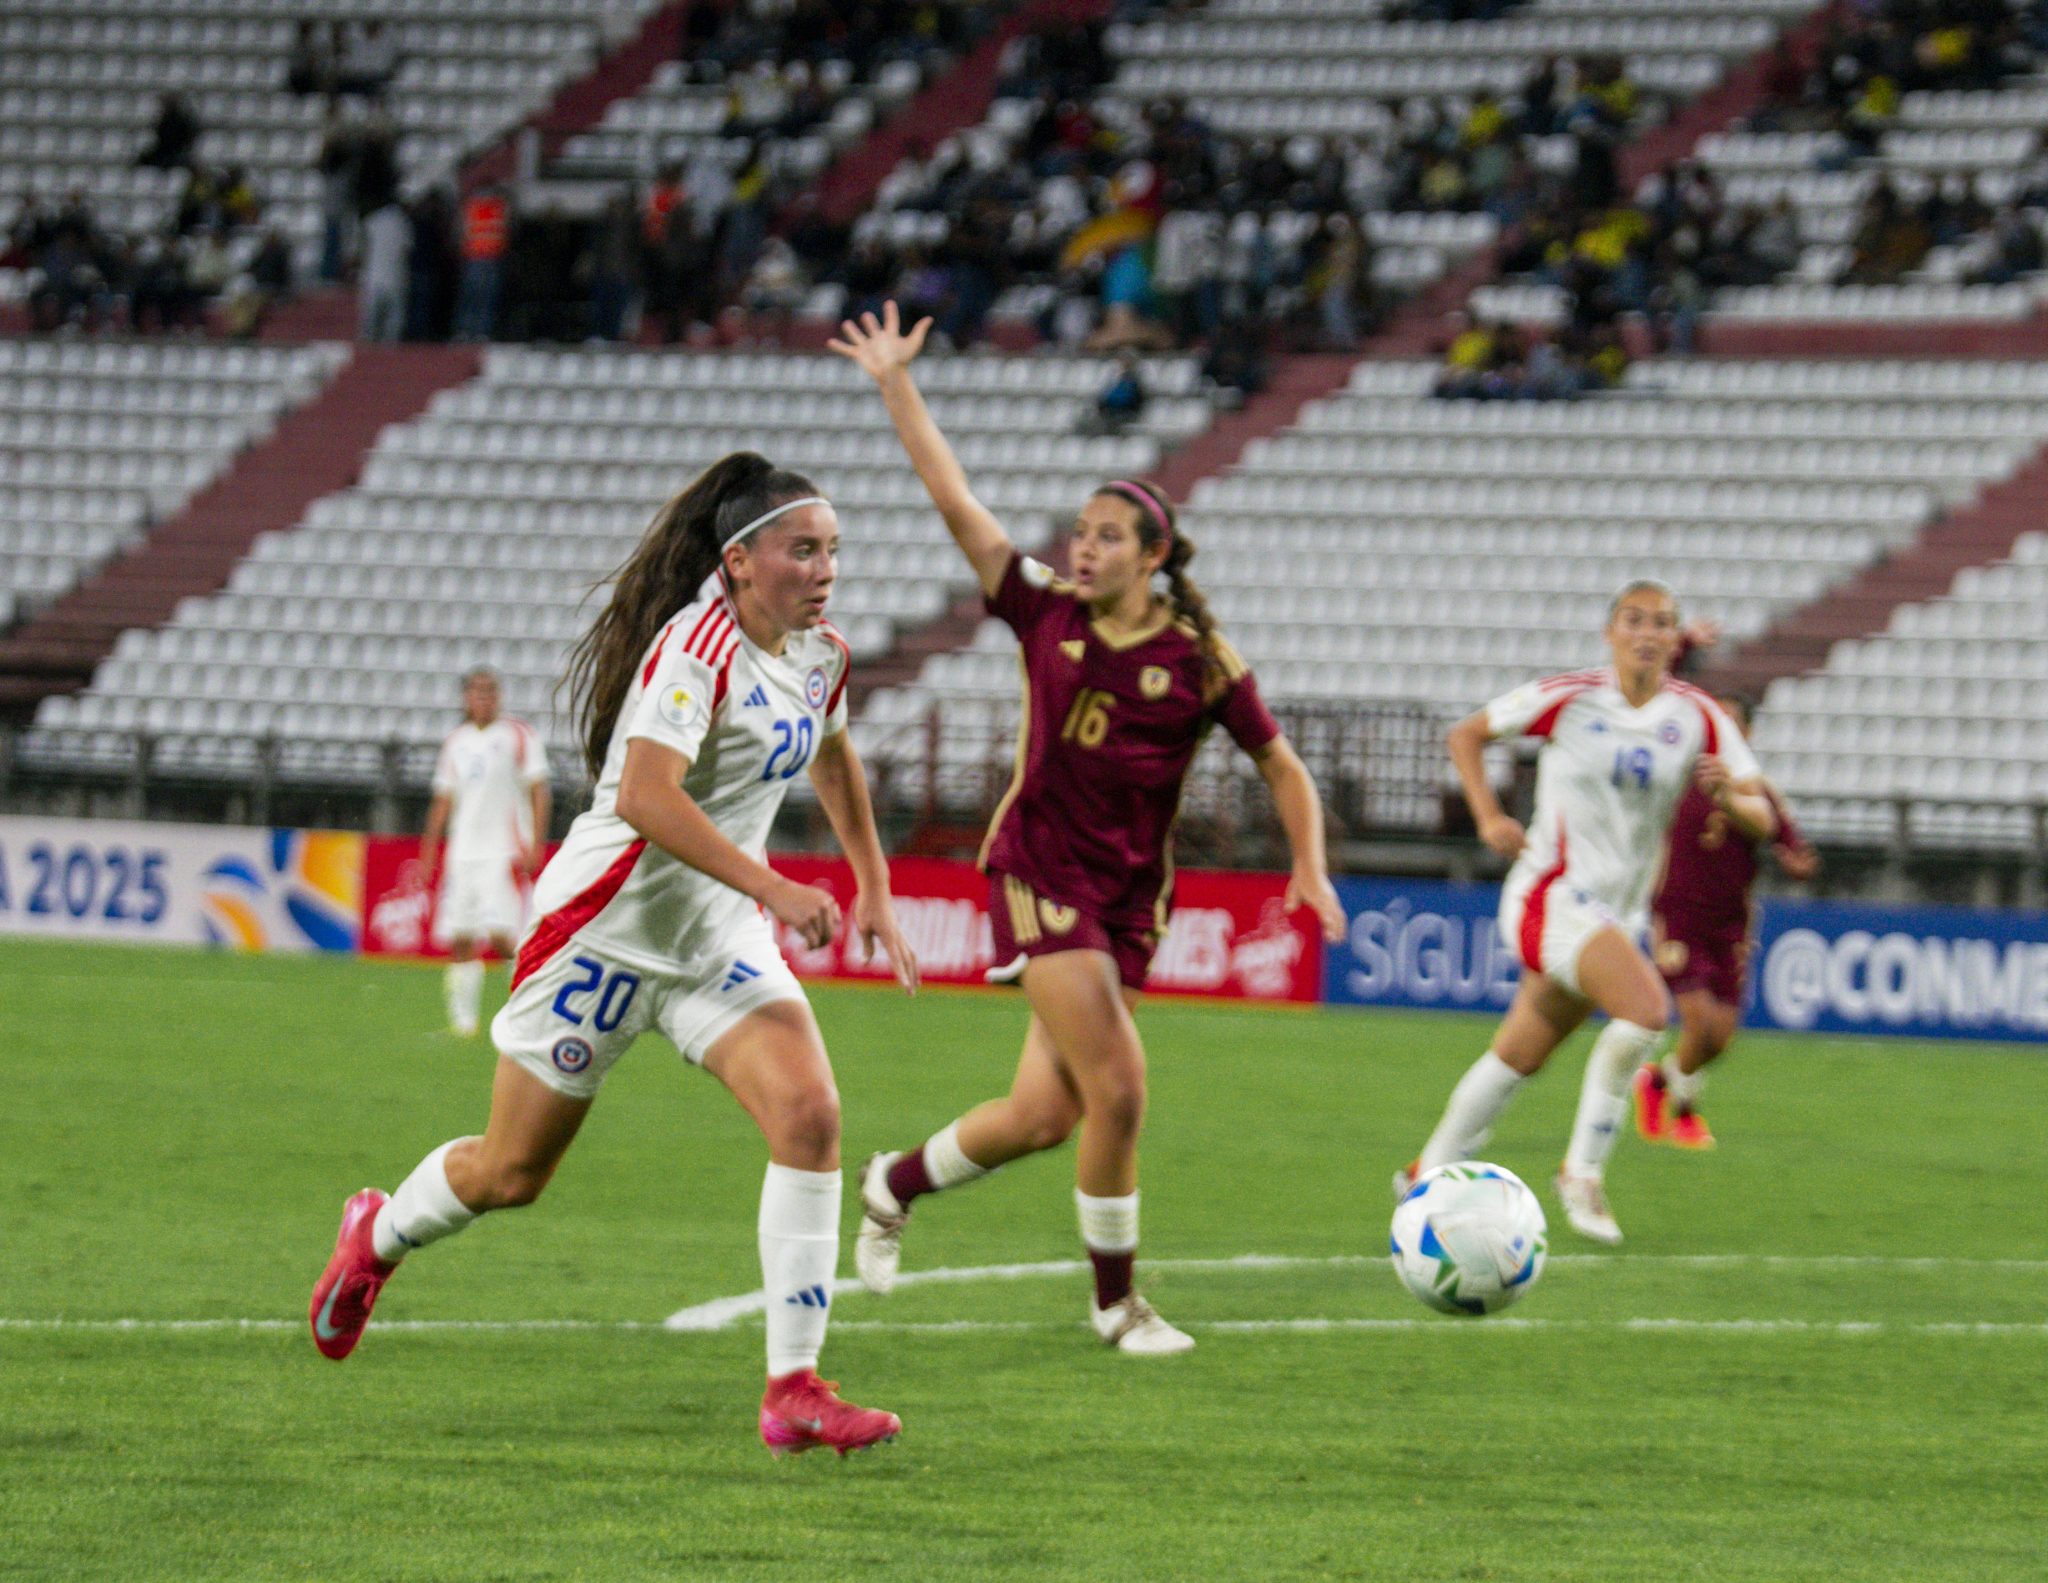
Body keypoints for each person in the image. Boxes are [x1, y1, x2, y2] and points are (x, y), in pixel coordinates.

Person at [309, 453, 919, 1457]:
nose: (825, 571)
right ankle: (374, 1236)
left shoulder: (822, 656)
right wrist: (773, 884)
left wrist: (874, 883)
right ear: (739, 560)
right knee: (510, 1171)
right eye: (803, 550)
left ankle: (794, 1390)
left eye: (833, 551)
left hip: (713, 937)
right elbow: (643, 795)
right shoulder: (696, 646)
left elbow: (834, 753)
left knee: (810, 1114)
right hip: (602, 934)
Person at [831, 303, 1347, 1354]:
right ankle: (1117, 1305)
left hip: (1126, 899)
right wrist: (895, 383)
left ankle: (893, 1181)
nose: (1083, 546)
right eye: (1079, 531)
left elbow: (1281, 766)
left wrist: (1309, 862)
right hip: (1037, 872)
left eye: (1107, 536)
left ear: (1152, 556)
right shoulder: (1043, 608)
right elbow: (956, 500)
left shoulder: (1200, 657)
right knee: (1120, 1084)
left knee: (1043, 1115)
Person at [1394, 579, 1777, 1244]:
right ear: (1610, 632)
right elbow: (1467, 734)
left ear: (1674, 639)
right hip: (1552, 894)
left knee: (1521, 1051)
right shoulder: (1571, 697)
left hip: (1616, 914)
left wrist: (1728, 798)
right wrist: (1488, 816)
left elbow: (1762, 814)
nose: (1647, 633)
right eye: (1634, 620)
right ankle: (1582, 1175)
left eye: (1661, 622)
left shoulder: (1697, 715)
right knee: (1646, 1011)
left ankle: (1425, 1172)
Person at [1634, 694, 1816, 1150]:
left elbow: (1789, 844)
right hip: (1679, 915)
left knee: (1720, 1039)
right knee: (1698, 1022)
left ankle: (1657, 1080)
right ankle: (1685, 1115)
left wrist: (1797, 860)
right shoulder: (1674, 779)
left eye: (1728, 725)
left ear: (1746, 735)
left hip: (1731, 925)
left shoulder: (1758, 791)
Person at [418, 668, 551, 1037]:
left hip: (503, 851)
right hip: (463, 852)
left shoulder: (518, 735)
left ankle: (528, 1014)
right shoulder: (455, 742)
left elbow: (539, 790)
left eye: (491, 691)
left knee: (502, 936)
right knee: (461, 938)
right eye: (477, 692)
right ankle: (463, 1025)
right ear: (466, 698)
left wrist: (536, 843)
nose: (484, 698)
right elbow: (444, 798)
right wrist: (429, 850)